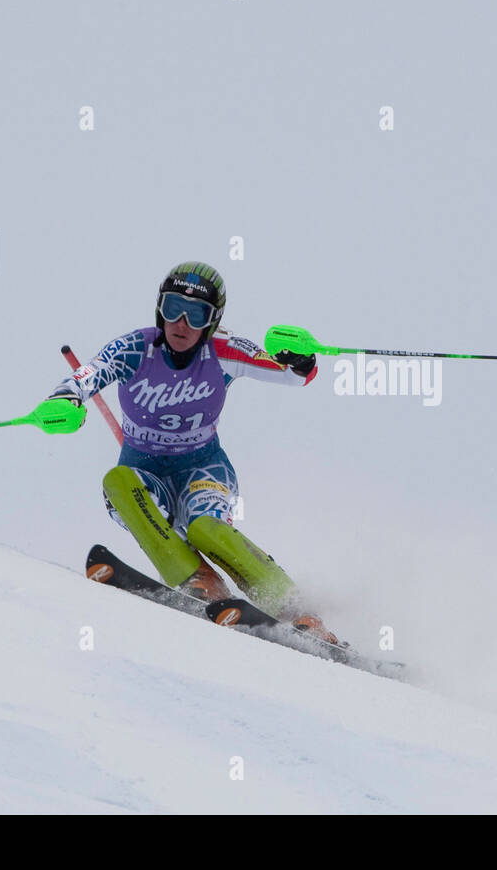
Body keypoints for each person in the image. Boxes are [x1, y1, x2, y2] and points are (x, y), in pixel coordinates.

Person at [32, 262, 339, 644]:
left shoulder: (223, 351)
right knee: (117, 482)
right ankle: (203, 582)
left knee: (205, 528)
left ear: (212, 321)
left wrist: (300, 357)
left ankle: (301, 614)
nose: (181, 322)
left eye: (196, 314)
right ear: (159, 308)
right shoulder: (135, 347)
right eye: (173, 307)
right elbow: (89, 374)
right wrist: (65, 399)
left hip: (202, 469)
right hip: (145, 472)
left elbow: (293, 374)